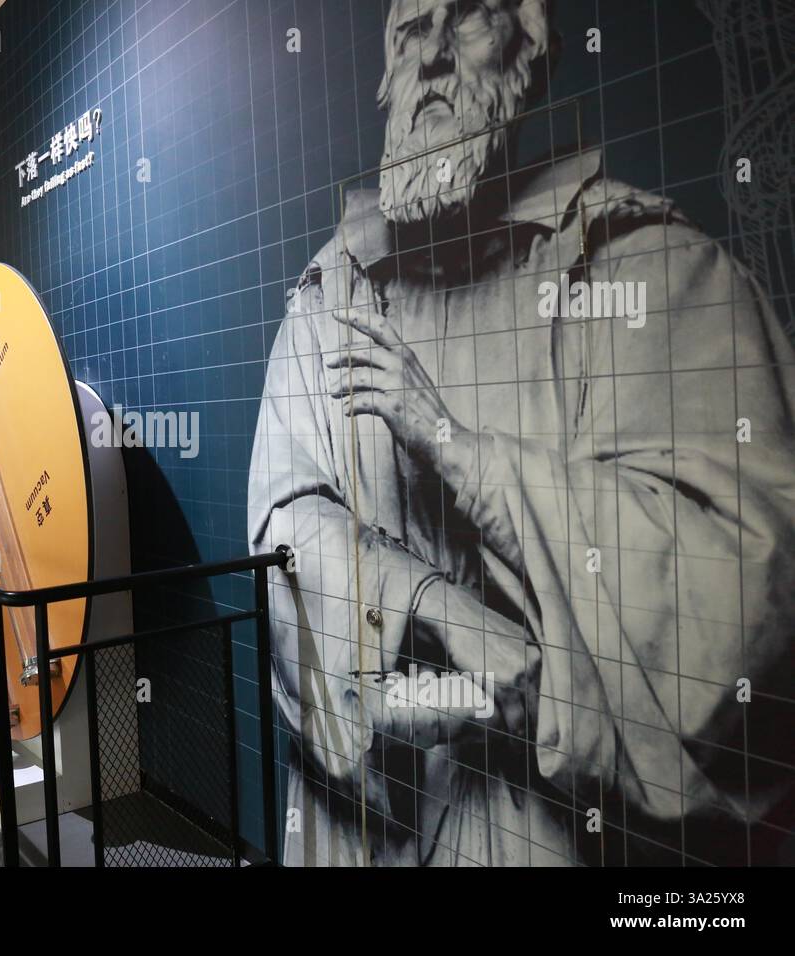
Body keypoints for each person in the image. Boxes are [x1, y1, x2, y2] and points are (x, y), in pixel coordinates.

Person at [248, 0, 795, 866]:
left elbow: (746, 582)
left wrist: (460, 453)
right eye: (407, 32)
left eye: (463, 18)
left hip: (544, 832)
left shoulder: (645, 266)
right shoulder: (331, 295)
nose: (429, 56)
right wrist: (427, 602)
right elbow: (284, 516)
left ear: (528, 53)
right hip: (371, 824)